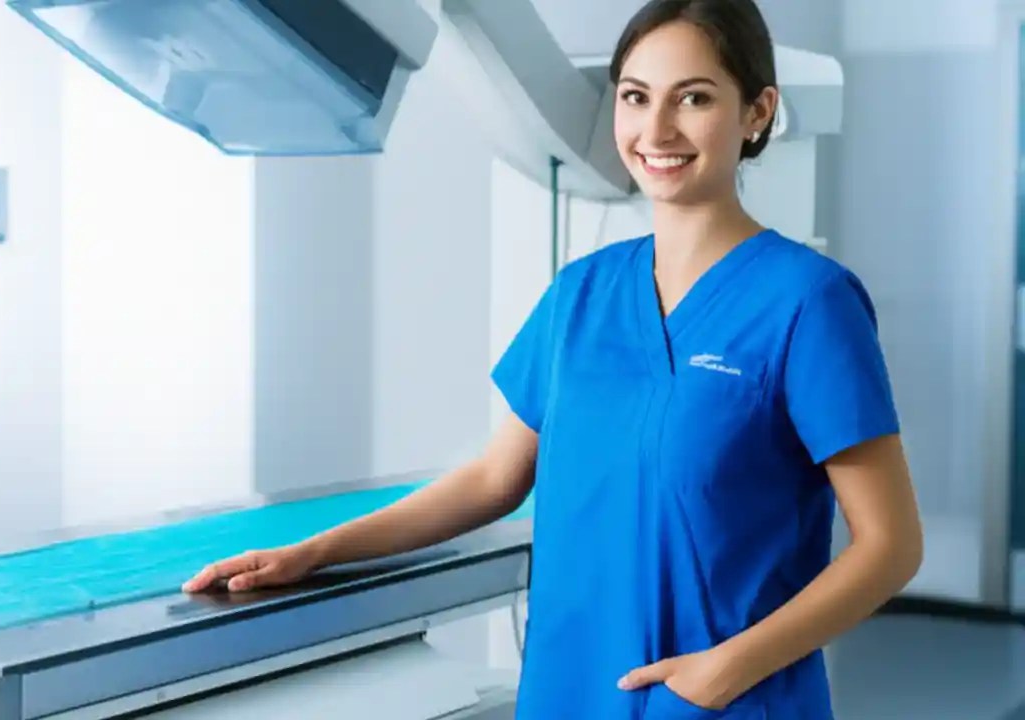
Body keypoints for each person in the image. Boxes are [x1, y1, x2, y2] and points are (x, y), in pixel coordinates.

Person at [182, 0, 924, 717]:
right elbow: (493, 479)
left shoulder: (807, 301)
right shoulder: (583, 293)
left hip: (723, 700)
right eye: (636, 97)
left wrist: (724, 670)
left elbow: (890, 546)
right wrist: (314, 552)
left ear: (756, 112)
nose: (657, 128)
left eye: (693, 98)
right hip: (570, 687)